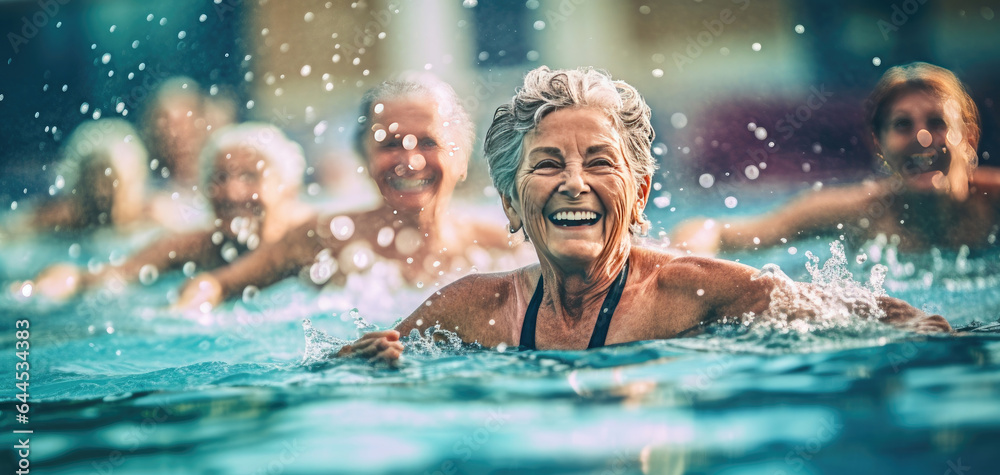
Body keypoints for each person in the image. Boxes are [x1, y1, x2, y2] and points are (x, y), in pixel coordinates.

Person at [336, 67, 951, 365]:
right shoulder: (470, 307)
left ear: (640, 195)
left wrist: (921, 328)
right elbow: (351, 362)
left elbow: (861, 316)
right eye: (547, 164)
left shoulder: (695, 290)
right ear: (509, 203)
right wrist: (368, 365)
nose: (574, 183)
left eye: (599, 162)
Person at [171, 74, 526, 311]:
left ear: (461, 158)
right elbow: (215, 284)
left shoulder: (501, 251)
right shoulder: (321, 239)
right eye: (389, 144)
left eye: (428, 142)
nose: (410, 160)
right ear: (364, 157)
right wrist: (184, 316)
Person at [671, 62, 1000, 254]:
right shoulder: (859, 213)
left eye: (937, 122)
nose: (922, 137)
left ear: (969, 137)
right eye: (903, 125)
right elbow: (715, 231)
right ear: (878, 145)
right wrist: (681, 257)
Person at [28, 122, 313, 302]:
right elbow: (107, 275)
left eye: (250, 177)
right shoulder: (195, 247)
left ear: (287, 187)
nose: (231, 193)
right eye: (220, 178)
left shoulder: (315, 242)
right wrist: (49, 285)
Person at [12, 119, 150, 234]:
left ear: (131, 186)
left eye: (109, 184)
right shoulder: (57, 220)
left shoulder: (154, 219)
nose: (101, 193)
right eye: (92, 183)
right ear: (77, 189)